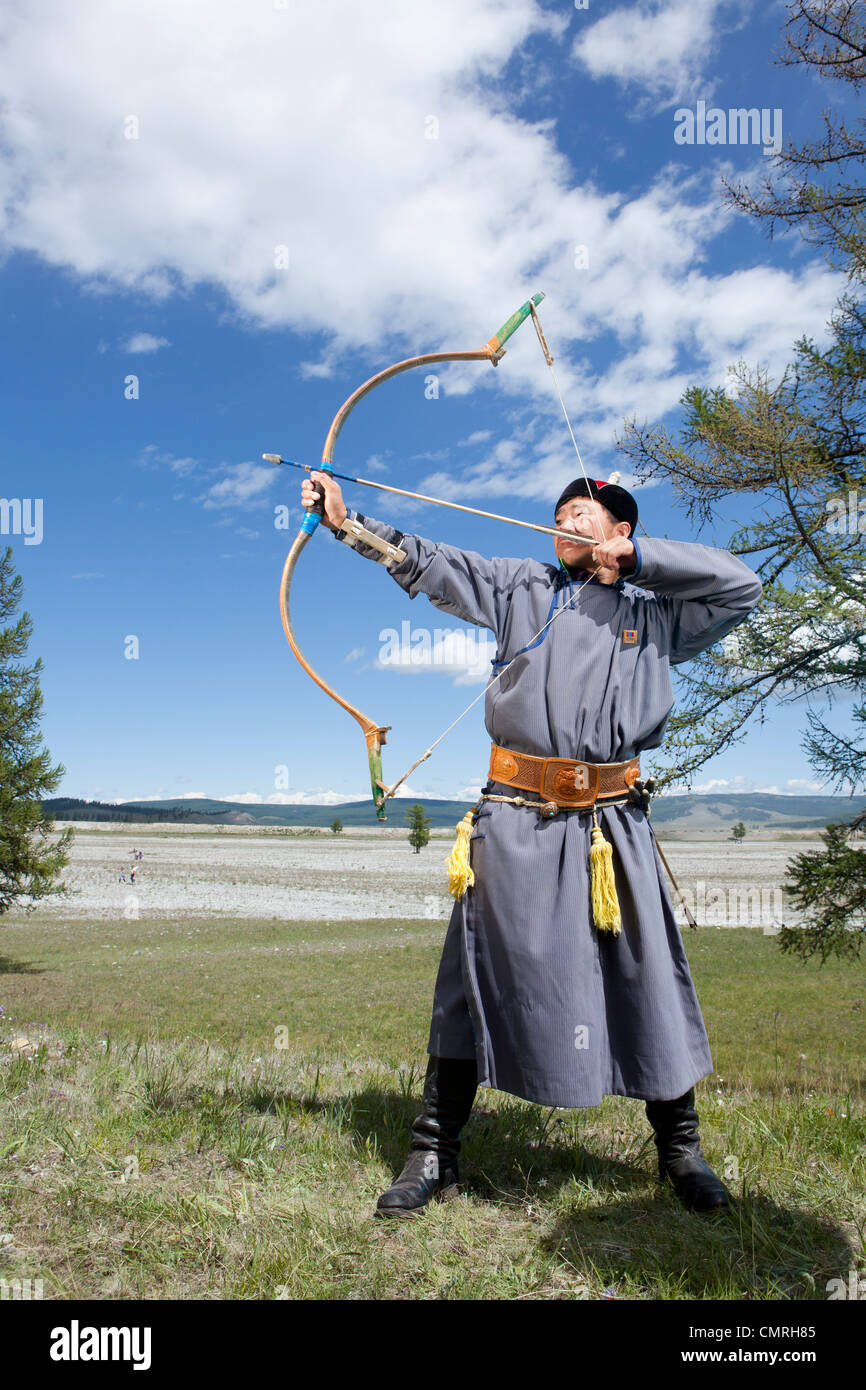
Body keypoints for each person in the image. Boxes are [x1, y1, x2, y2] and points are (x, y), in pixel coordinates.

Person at [301, 468, 762, 1219]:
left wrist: (641, 563)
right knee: (470, 975)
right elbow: (434, 563)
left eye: (584, 515)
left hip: (614, 826)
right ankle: (433, 1149)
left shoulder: (663, 614)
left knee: (643, 972)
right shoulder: (522, 586)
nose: (565, 524)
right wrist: (348, 525)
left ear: (621, 531)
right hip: (516, 815)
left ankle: (680, 1150)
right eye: (558, 515)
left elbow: (741, 585)